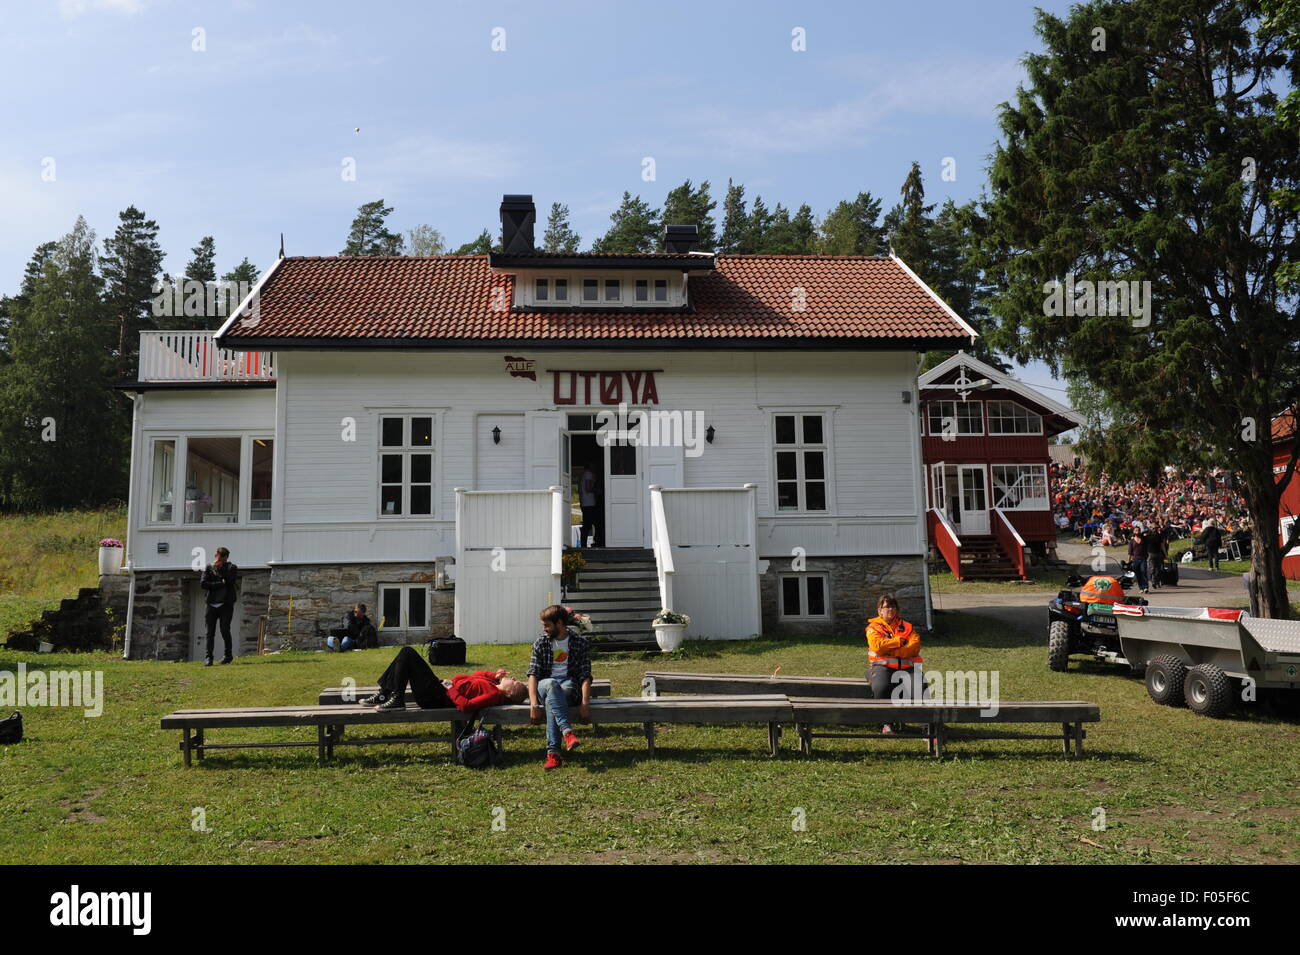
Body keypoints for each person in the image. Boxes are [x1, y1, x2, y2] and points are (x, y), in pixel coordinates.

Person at [527, 604, 593, 770]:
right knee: (551, 684)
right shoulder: (541, 643)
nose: (545, 629)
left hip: (568, 687)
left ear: (559, 623)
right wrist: (534, 703)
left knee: (553, 700)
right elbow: (533, 674)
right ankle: (567, 732)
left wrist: (585, 704)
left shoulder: (579, 643)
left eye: (547, 625)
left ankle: (554, 754)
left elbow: (585, 675)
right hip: (546, 685)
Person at [362, 648, 528, 711]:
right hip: (439, 689)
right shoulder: (493, 686)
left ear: (510, 691)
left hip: (435, 697)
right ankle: (385, 694)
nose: (513, 678)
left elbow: (466, 706)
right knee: (405, 655)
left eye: (515, 681)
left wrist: (451, 689)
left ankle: (396, 698)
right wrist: (494, 676)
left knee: (407, 653)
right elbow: (476, 675)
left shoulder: (493, 695)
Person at [864, 594, 924, 736]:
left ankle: (927, 726)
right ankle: (886, 723)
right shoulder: (873, 628)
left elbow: (914, 647)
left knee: (921, 687)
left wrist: (892, 651)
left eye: (893, 606)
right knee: (881, 687)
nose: (890, 609)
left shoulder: (907, 627)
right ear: (880, 610)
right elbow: (877, 646)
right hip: (882, 667)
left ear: (897, 609)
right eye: (886, 606)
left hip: (908, 668)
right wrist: (899, 642)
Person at [199, 546, 238, 666]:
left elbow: (230, 581)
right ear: (216, 555)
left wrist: (219, 571)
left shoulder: (232, 567)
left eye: (222, 557)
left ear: (226, 557)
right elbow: (203, 584)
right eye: (218, 556)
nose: (219, 559)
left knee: (225, 630)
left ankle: (228, 656)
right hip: (211, 605)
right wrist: (219, 583)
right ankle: (208, 658)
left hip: (225, 604)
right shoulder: (209, 567)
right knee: (209, 633)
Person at [579, 464, 601, 547]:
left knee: (587, 524)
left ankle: (583, 544)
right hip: (589, 503)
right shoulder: (588, 474)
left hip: (585, 503)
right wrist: (597, 490)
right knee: (591, 524)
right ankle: (589, 544)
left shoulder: (583, 475)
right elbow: (588, 488)